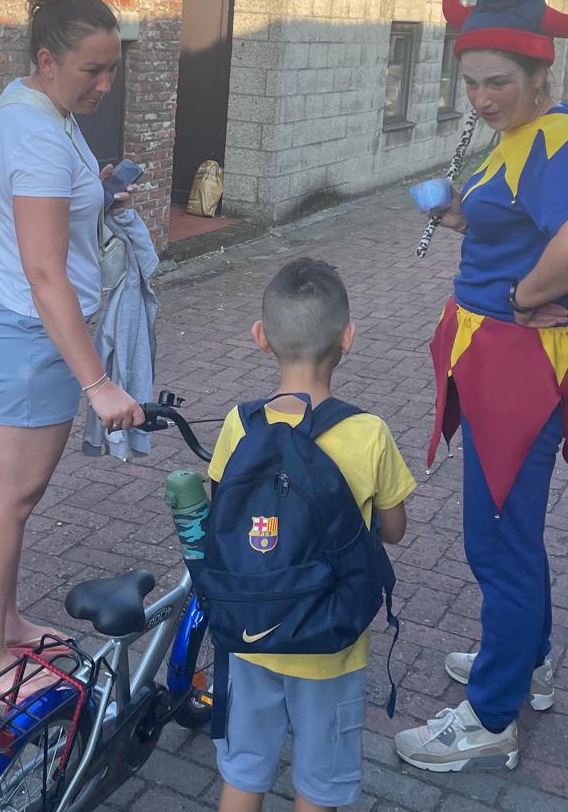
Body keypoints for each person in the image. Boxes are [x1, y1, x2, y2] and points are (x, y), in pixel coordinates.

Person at [400, 0, 568, 772]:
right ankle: (523, 660)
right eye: (471, 82)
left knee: (496, 541)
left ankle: (490, 717)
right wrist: (462, 216)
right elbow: (518, 221)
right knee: (510, 533)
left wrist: (526, 294)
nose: (483, 98)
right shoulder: (524, 139)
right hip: (501, 361)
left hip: (520, 368)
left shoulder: (555, 141)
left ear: (539, 76)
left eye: (498, 83)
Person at [0, 0, 143, 700]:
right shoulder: (36, 131)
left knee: (14, 497)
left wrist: (94, 191)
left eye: (111, 70)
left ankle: (5, 627)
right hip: (28, 335)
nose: (102, 85)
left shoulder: (32, 108)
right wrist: (98, 382)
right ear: (47, 61)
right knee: (8, 499)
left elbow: (43, 209)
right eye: (91, 70)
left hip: (9, 324)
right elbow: (43, 272)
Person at [207, 259, 414, 812]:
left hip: (249, 631)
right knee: (320, 784)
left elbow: (218, 509)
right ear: (348, 339)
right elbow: (392, 530)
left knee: (243, 774)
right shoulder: (368, 433)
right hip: (331, 644)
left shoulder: (239, 424)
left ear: (260, 337)